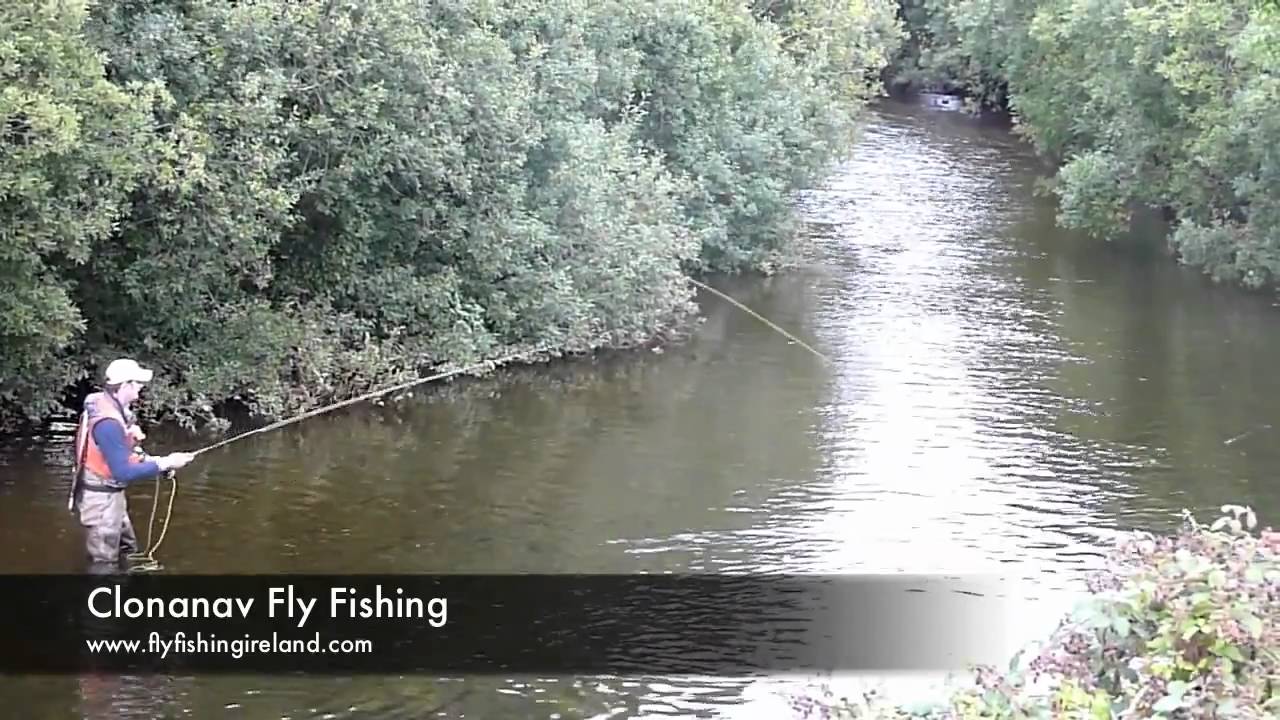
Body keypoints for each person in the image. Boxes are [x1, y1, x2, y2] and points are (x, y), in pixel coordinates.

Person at [70, 358, 194, 568]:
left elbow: (118, 454)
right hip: (101, 502)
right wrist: (165, 463)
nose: (141, 388)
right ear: (125, 385)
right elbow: (123, 472)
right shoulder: (108, 423)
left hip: (109, 496)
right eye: (137, 383)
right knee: (104, 564)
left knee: (127, 549)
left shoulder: (105, 404)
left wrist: (158, 463)